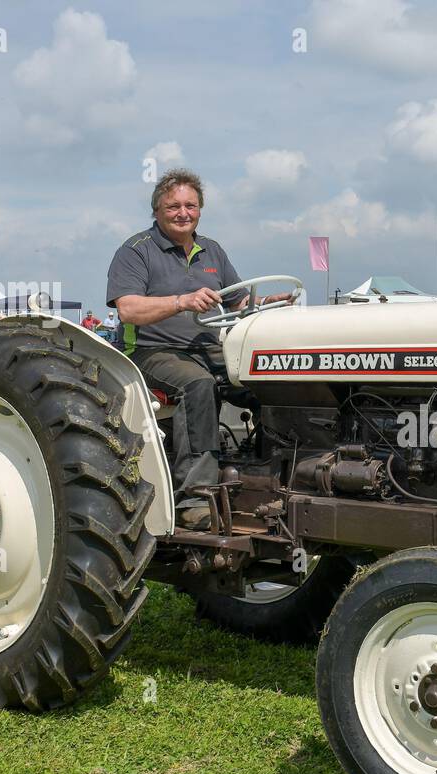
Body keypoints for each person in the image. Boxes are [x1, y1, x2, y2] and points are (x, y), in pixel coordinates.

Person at [107, 167, 293, 530]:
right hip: (150, 351)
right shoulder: (136, 251)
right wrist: (181, 301)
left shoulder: (213, 251)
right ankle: (195, 497)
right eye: (173, 206)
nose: (183, 213)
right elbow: (128, 308)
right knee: (197, 384)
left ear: (200, 210)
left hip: (206, 348)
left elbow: (239, 302)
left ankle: (275, 475)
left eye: (190, 205)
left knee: (271, 376)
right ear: (157, 211)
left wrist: (272, 302)